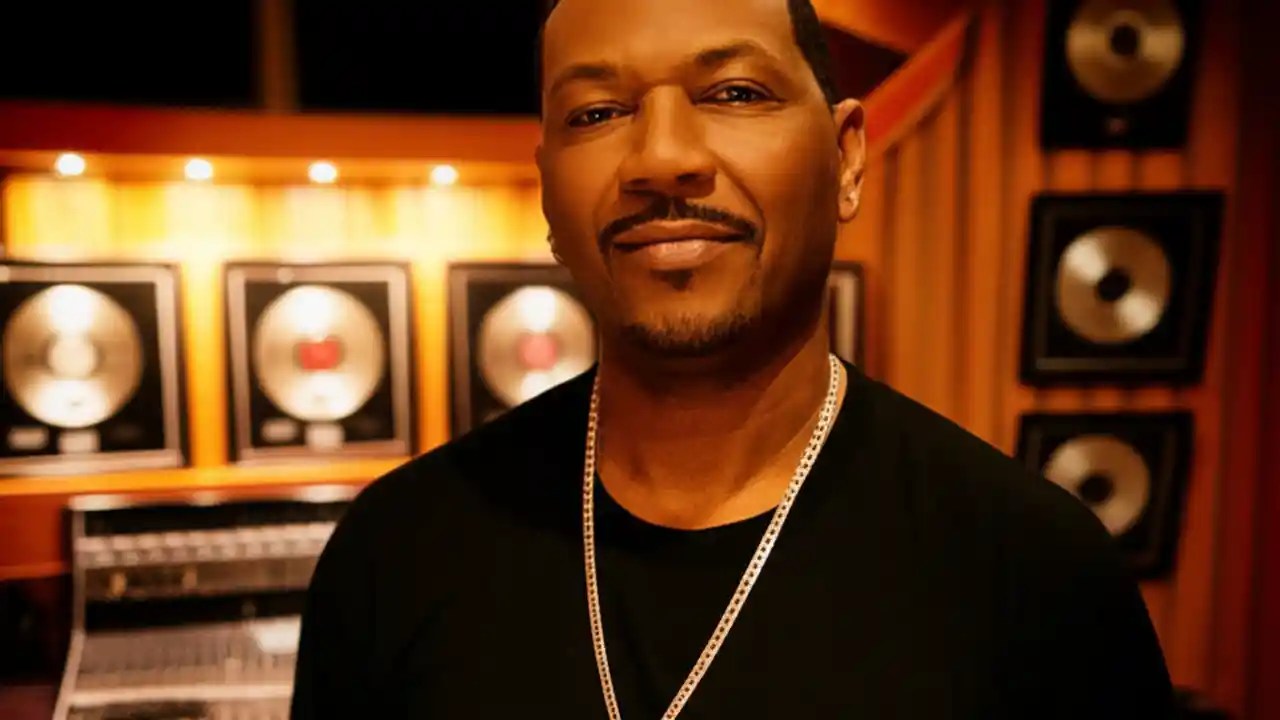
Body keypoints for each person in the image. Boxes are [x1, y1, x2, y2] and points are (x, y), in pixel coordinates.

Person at [290, 0, 1175, 717]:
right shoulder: (395, 551)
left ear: (845, 157)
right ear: (549, 189)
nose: (664, 158)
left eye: (737, 94)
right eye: (597, 112)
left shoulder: (1039, 572)